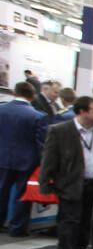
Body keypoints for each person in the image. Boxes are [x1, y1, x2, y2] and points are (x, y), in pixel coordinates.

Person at [38, 95, 93, 249]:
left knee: (87, 223)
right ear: (82, 112)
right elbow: (49, 160)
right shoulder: (60, 131)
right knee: (69, 222)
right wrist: (45, 185)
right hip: (71, 185)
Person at [0, 81, 50, 238]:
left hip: (2, 159)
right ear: (33, 96)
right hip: (27, 161)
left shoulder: (1, 110)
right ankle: (18, 228)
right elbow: (42, 144)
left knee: (1, 192)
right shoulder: (38, 116)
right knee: (22, 195)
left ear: (15, 93)